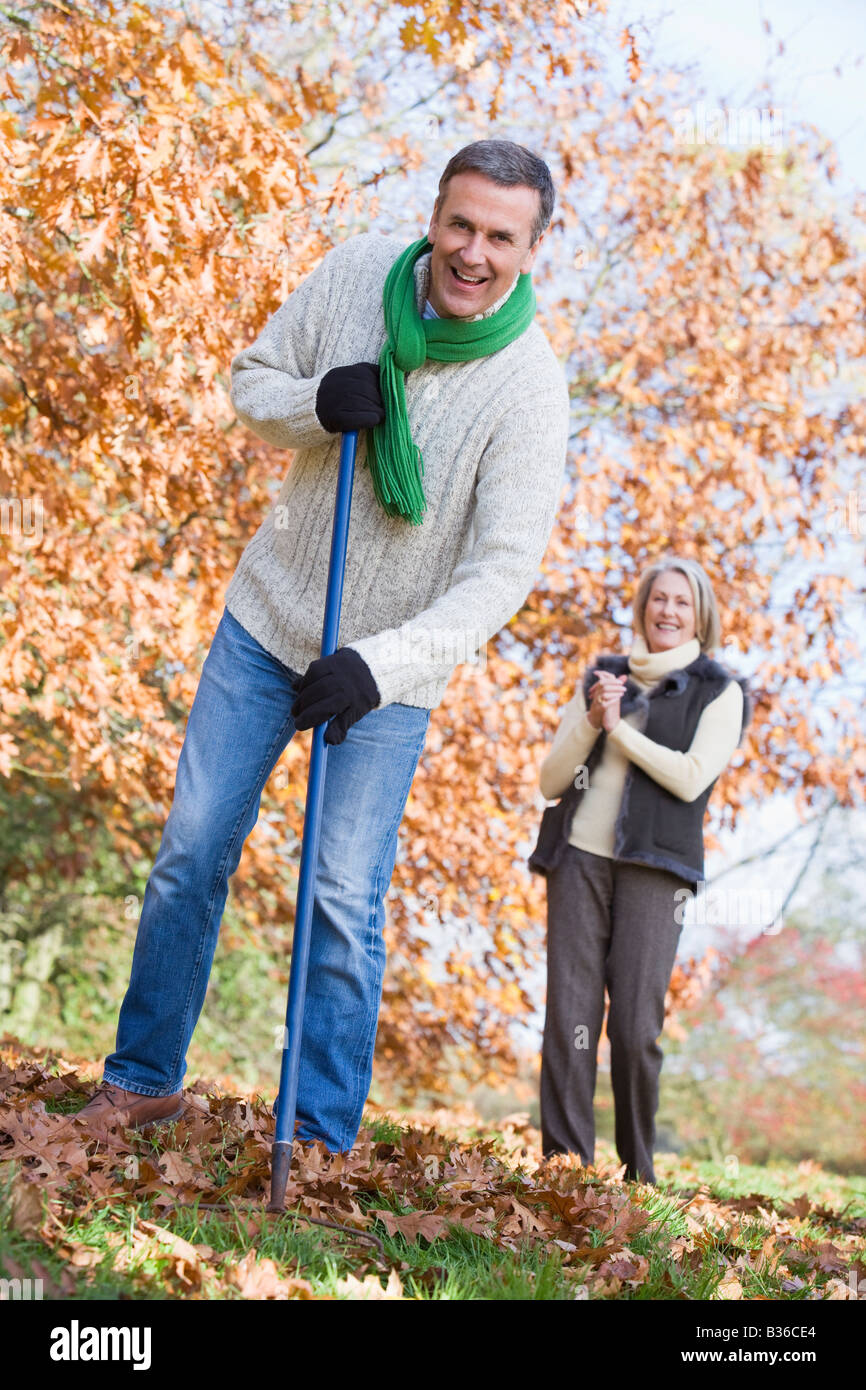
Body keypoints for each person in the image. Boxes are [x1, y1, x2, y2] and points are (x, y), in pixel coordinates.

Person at [75, 139, 571, 1149]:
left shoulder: (528, 388)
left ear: (531, 247)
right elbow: (248, 381)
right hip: (268, 623)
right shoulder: (354, 273)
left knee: (340, 893)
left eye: (498, 237)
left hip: (384, 673)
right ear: (435, 214)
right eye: (460, 224)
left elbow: (499, 575)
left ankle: (314, 1134)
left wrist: (380, 665)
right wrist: (315, 403)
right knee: (190, 850)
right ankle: (140, 1081)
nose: (471, 251)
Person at [531, 556, 750, 1185]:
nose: (668, 612)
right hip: (578, 858)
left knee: (634, 1026)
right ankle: (566, 1170)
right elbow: (550, 780)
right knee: (570, 1015)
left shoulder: (719, 691)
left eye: (682, 602)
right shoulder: (604, 677)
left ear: (700, 616)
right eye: (659, 599)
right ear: (643, 607)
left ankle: (639, 1176)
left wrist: (617, 731)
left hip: (657, 869)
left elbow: (688, 779)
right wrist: (594, 719)